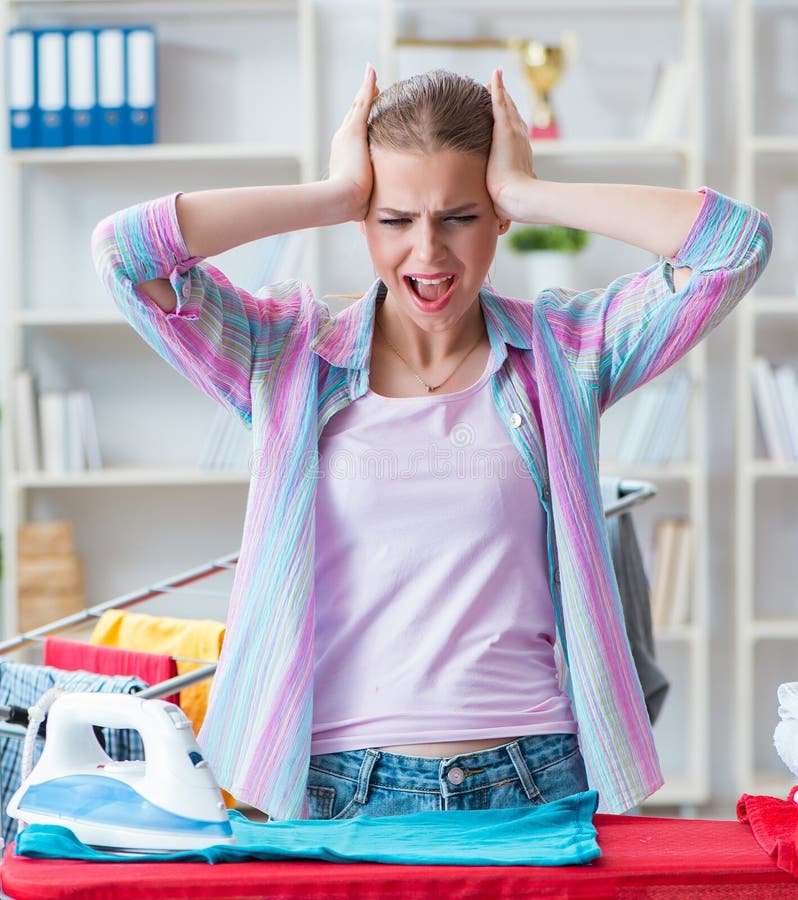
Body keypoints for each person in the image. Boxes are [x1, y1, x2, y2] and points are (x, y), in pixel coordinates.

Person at [92, 64, 771, 822]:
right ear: (361, 220)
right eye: (394, 219)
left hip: (535, 776)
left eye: (460, 216)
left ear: (497, 218)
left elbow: (734, 246)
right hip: (336, 787)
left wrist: (529, 191)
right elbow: (125, 255)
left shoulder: (562, 353)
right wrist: (332, 194)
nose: (428, 252)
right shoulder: (285, 356)